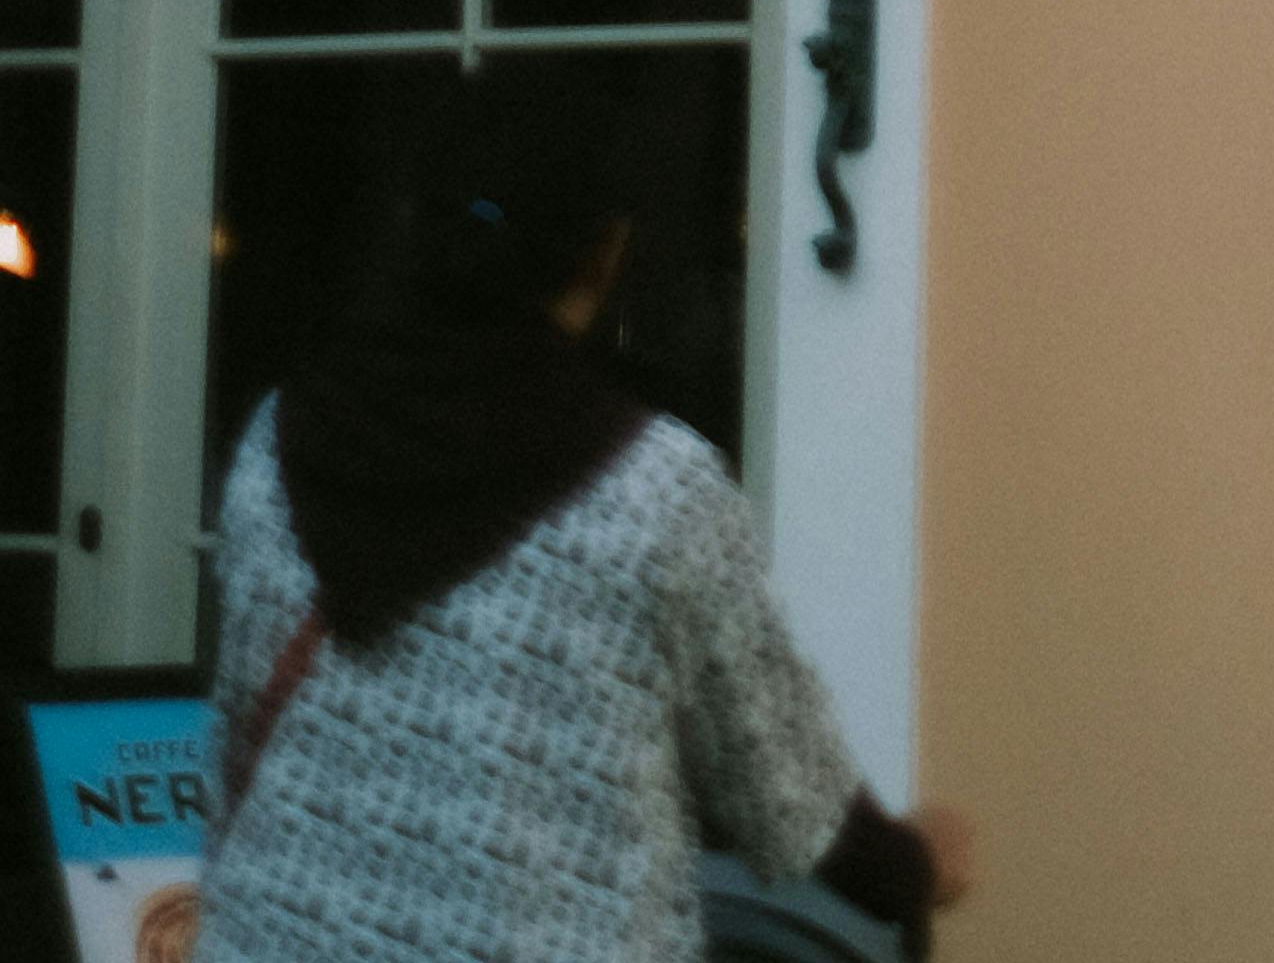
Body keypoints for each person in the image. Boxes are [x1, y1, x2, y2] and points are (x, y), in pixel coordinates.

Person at [195, 70, 973, 963]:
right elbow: (785, 794)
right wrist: (917, 866)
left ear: (417, 231)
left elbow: (229, 763)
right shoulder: (656, 493)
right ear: (605, 257)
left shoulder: (272, 446)